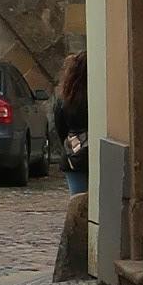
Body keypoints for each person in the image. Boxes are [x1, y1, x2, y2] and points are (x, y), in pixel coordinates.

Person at [54, 46, 88, 195]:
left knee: (77, 201)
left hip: (74, 153)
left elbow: (60, 129)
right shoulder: (97, 95)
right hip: (94, 152)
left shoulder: (65, 98)